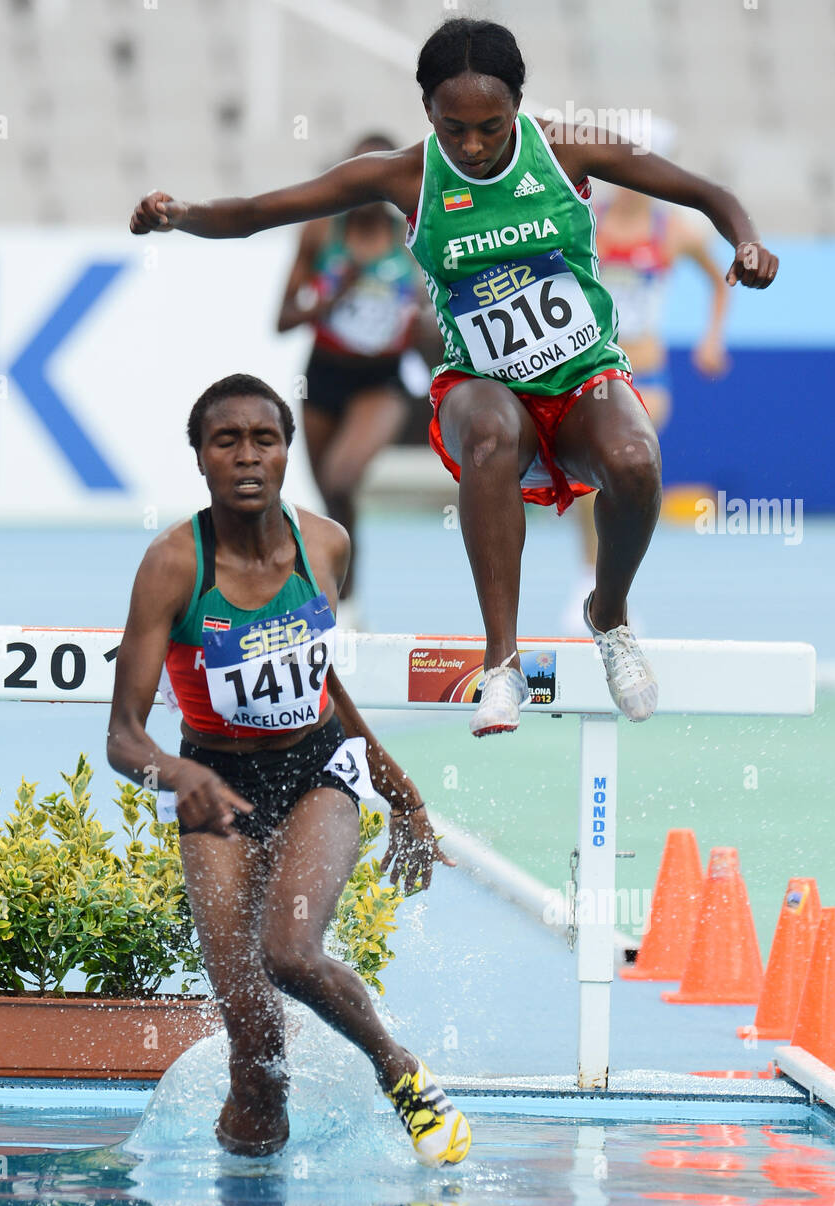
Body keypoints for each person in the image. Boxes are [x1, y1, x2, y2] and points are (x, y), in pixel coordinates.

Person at [129, 17, 777, 737]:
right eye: (452, 127)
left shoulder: (566, 148)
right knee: (494, 432)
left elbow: (706, 192)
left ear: (518, 110)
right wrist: (179, 215)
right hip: (479, 384)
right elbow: (258, 213)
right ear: (428, 114)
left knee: (636, 460)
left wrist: (746, 241)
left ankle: (609, 615)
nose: (470, 146)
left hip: (583, 374)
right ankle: (503, 666)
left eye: (491, 128)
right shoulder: (406, 173)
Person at [105, 372, 470, 1167]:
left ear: (286, 451)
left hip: (316, 772)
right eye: (225, 441)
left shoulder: (326, 544)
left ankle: (401, 1074)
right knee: (255, 1049)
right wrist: (175, 773)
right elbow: (123, 737)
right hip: (214, 787)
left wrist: (401, 795)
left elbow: (321, 682)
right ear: (199, 457)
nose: (246, 456)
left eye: (263, 439)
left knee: (291, 954)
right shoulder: (173, 564)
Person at [561, 123, 731, 632]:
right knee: (590, 483)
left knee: (624, 469)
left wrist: (712, 339)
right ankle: (587, 582)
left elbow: (719, 284)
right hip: (592, 365)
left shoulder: (676, 231)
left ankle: (613, 587)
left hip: (648, 372)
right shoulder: (587, 219)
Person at [276, 133, 432, 625]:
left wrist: (421, 324)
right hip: (322, 375)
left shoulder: (413, 241)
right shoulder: (323, 233)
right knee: (330, 493)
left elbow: (433, 317)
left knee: (343, 475)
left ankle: (347, 596)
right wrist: (330, 299)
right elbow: (281, 319)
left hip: (381, 381)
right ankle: (347, 592)